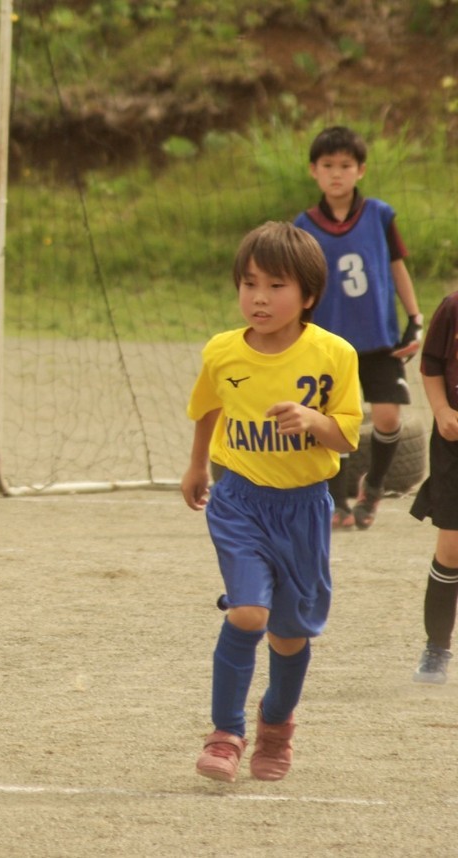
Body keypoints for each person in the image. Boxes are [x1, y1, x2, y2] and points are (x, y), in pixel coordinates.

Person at [181, 221, 361, 783]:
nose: (259, 297)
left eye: (276, 286)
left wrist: (315, 421)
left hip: (304, 507)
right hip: (238, 499)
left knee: (289, 633)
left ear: (307, 295)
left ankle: (276, 726)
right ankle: (226, 733)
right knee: (249, 612)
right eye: (249, 283)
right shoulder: (222, 352)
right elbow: (208, 406)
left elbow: (347, 435)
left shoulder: (334, 355)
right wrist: (196, 464)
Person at [295, 125, 424, 530]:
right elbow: (299, 283)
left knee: (388, 418)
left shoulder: (379, 215)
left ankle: (376, 485)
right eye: (328, 165)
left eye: (345, 166)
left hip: (378, 341)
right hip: (330, 344)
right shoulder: (304, 224)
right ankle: (337, 501)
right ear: (313, 171)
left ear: (360, 170)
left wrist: (415, 318)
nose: (337, 173)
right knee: (334, 421)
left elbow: (396, 267)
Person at [407, 291, 458, 683]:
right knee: (452, 547)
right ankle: (437, 648)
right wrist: (441, 410)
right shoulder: (453, 306)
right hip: (454, 444)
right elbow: (431, 363)